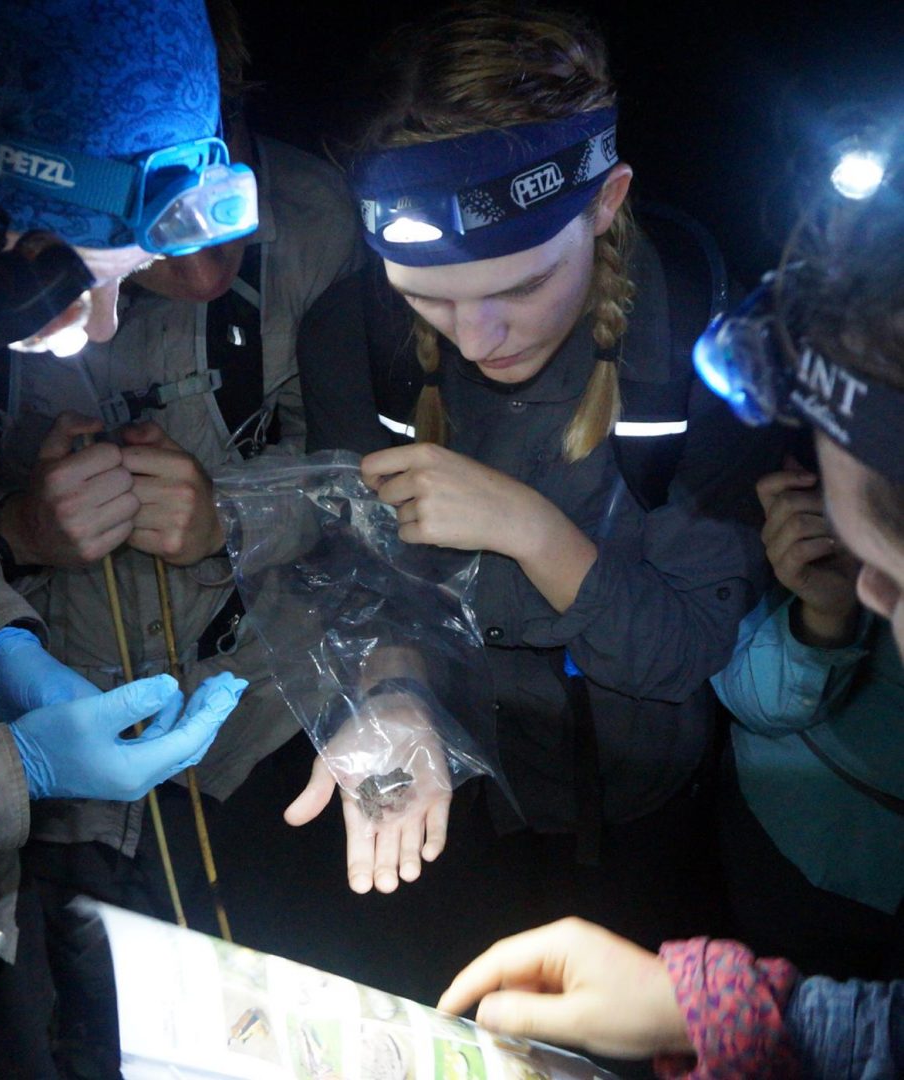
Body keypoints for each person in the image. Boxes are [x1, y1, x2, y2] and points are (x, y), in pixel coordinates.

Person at [295, 0, 777, 938]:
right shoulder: (351, 334)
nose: (476, 340)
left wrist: (527, 527)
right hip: (456, 790)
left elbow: (684, 650)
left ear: (605, 201)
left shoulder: (702, 343)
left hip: (639, 799)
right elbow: (363, 579)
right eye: (426, 295)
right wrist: (391, 692)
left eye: (519, 286)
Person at [436, 122, 904, 1080]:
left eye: (896, 578)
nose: (876, 608)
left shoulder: (670, 330)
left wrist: (532, 531)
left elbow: (686, 650)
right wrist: (720, 1015)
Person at [0, 5, 245, 1079]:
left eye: (120, 283)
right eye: (71, 281)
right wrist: (19, 766)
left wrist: (2, 650)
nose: (96, 328)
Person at [710, 448, 903, 980]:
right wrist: (825, 614)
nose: (880, 590)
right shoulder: (809, 456)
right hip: (809, 847)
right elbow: (746, 689)